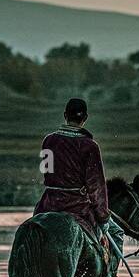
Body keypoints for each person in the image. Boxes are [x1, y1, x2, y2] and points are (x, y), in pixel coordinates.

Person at [33, 97, 110, 241]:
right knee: (111, 234)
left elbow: (47, 173)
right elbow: (96, 186)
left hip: (48, 204)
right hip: (77, 207)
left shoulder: (48, 141)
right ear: (85, 118)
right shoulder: (89, 146)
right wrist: (103, 217)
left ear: (65, 115)